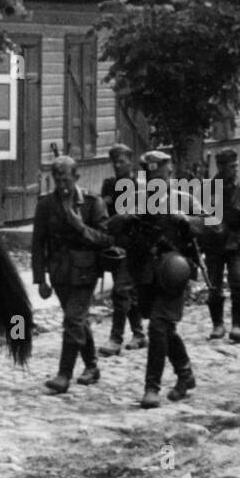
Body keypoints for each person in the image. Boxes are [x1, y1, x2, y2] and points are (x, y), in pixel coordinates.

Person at [108, 150, 202, 409]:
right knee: (164, 329)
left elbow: (212, 227)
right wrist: (126, 218)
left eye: (160, 177)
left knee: (157, 328)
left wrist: (187, 220)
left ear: (169, 174)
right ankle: (185, 374)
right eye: (150, 179)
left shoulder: (183, 199)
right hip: (145, 275)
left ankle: (152, 388)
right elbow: (110, 227)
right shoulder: (134, 200)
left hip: (173, 274)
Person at [32, 156, 111, 393]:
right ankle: (92, 366)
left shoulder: (92, 202)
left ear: (76, 178)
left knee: (73, 321)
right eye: (57, 180)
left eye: (66, 179)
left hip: (86, 273)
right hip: (59, 273)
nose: (62, 185)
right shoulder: (46, 204)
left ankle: (64, 375)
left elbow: (106, 240)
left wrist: (80, 227)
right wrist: (41, 279)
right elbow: (38, 243)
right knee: (78, 320)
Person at [201, 147, 240, 342]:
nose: (235, 169)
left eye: (236, 165)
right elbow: (203, 218)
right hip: (215, 244)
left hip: (238, 242)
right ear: (220, 167)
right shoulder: (209, 188)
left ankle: (237, 324)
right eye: (231, 166)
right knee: (214, 285)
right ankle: (218, 324)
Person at [98, 144, 147, 356]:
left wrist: (126, 215)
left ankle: (115, 339)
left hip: (135, 246)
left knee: (120, 291)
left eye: (122, 161)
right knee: (128, 291)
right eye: (115, 162)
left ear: (131, 161)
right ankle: (139, 334)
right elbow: (102, 215)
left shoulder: (140, 185)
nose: (118, 166)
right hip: (115, 247)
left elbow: (145, 214)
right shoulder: (109, 185)